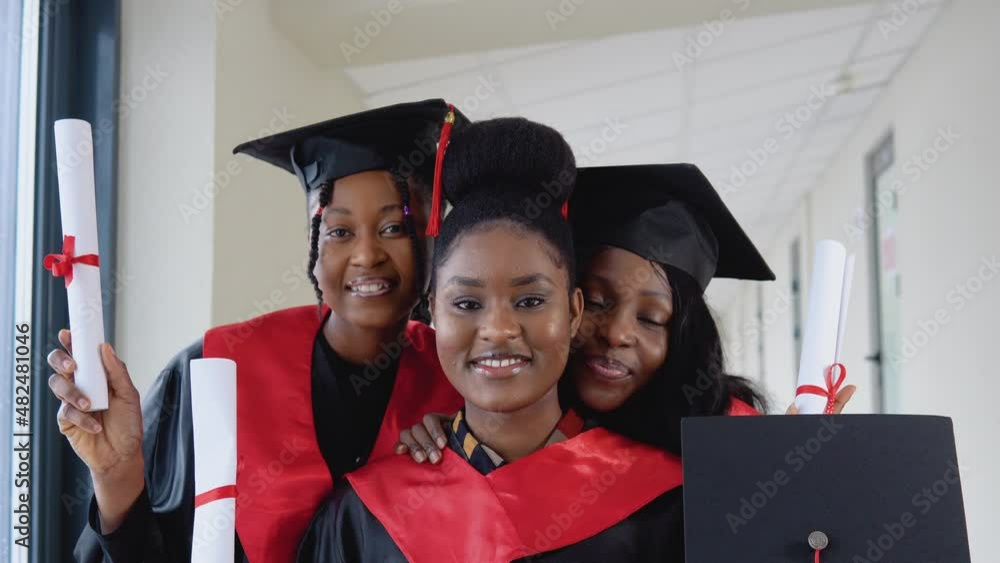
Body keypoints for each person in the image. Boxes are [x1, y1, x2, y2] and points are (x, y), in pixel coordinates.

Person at [46, 99, 467, 563]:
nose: (366, 255)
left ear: (434, 236)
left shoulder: (464, 386)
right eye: (339, 232)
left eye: (393, 227)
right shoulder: (213, 368)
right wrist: (116, 475)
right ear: (312, 243)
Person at [297, 118, 688, 562]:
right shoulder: (363, 518)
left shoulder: (664, 505)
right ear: (432, 313)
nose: (499, 329)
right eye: (466, 304)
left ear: (575, 312)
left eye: (530, 301)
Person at [397, 163, 855, 460]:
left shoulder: (727, 447)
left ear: (682, 339)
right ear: (568, 308)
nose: (617, 333)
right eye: (598, 302)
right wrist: (457, 436)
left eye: (652, 319)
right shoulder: (509, 412)